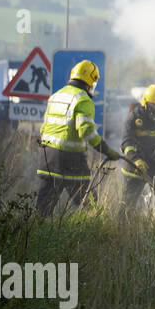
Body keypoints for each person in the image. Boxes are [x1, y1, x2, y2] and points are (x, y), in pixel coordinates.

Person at [36, 59, 129, 214]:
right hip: (71, 160)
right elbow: (86, 131)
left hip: (47, 158)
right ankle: (88, 235)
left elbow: (44, 128)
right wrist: (106, 150)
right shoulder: (83, 100)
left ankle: (36, 237)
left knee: (43, 210)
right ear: (89, 83)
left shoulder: (55, 96)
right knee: (88, 206)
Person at [121, 85, 155, 210]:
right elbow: (126, 142)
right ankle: (121, 226)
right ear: (146, 103)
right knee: (128, 204)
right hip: (134, 166)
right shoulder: (134, 118)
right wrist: (136, 160)